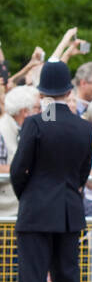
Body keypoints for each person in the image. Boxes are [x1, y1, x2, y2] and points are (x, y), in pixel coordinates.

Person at [3, 61, 92, 282]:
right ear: (69, 90)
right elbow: (83, 173)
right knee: (68, 279)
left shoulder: (35, 123)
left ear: (42, 93)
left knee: (33, 280)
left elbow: (18, 170)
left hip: (36, 210)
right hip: (69, 209)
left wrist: (27, 195)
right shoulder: (83, 127)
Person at [0, 85, 41, 218]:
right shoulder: (2, 130)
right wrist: (24, 168)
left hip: (21, 209)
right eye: (38, 108)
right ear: (25, 112)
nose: (42, 112)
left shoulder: (28, 130)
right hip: (6, 212)